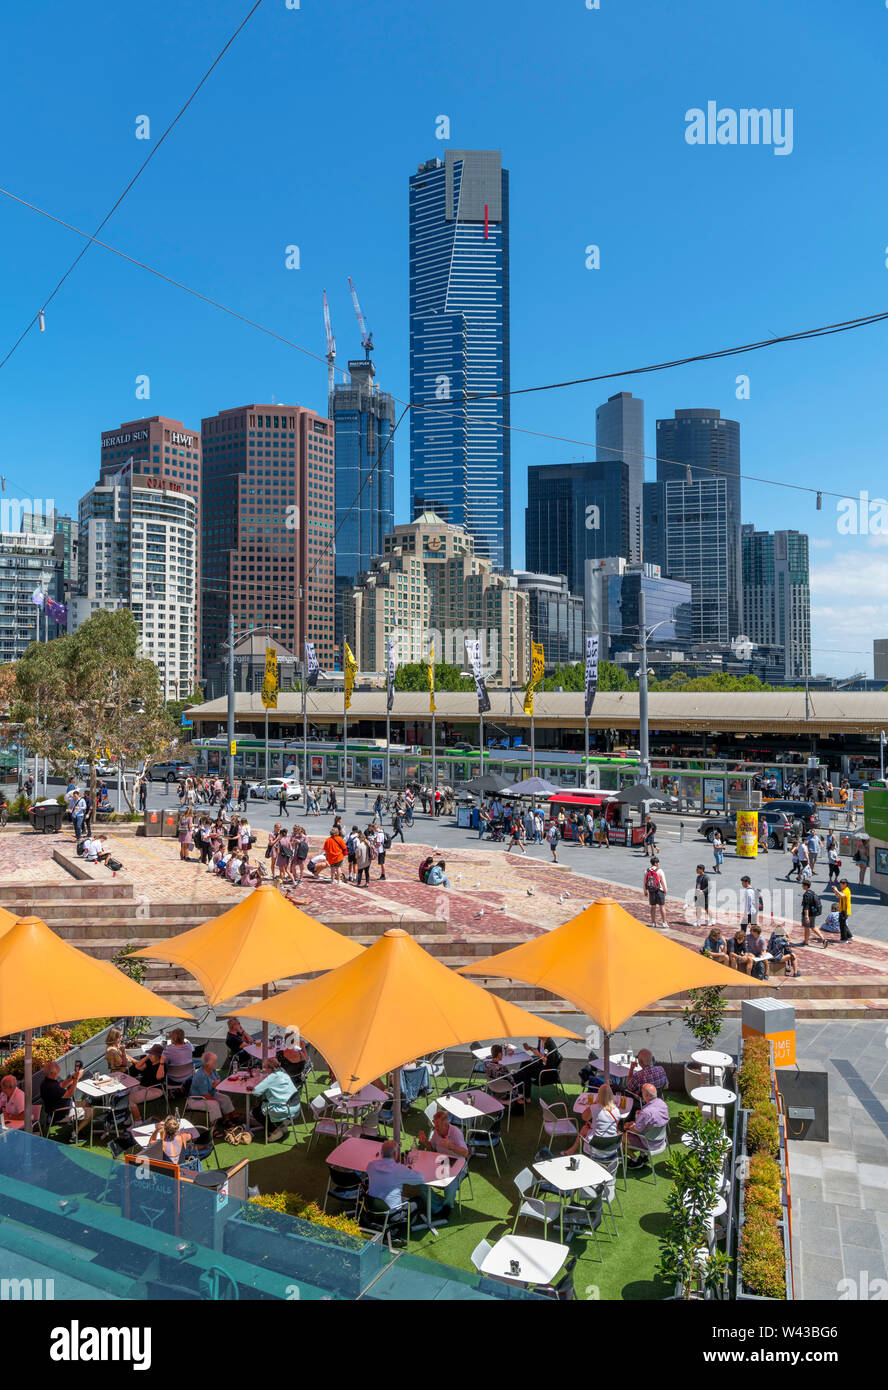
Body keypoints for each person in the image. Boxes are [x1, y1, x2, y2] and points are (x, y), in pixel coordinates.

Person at [416, 1106, 469, 1214]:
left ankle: (447, 1207)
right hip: (442, 1163)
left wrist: (451, 1146)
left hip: (458, 1165)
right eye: (435, 1126)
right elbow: (433, 1148)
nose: (436, 1129)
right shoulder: (437, 1132)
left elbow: (465, 1153)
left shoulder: (455, 1132)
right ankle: (436, 1208)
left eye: (438, 1126)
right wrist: (425, 1142)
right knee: (421, 1179)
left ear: (446, 1125)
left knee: (449, 1186)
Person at [250, 1058, 301, 1141]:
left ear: (270, 1069)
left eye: (265, 1067)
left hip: (286, 1108)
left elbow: (256, 1092)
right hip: (295, 1105)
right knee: (263, 1103)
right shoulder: (283, 1073)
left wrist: (259, 1087)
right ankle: (281, 1126)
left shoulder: (271, 1078)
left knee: (256, 1112)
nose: (263, 1069)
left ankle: (275, 1131)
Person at [365, 1139, 419, 1216]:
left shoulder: (371, 1165)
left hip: (371, 1208)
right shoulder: (399, 1170)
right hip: (392, 1214)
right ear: (395, 1154)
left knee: (403, 1197)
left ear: (381, 1153)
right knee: (418, 1201)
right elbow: (419, 1179)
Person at [565, 1083, 624, 1151]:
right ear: (611, 1095)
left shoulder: (594, 1107)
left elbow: (584, 1117)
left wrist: (594, 1103)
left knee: (584, 1128)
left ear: (599, 1095)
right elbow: (610, 1125)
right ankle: (571, 1150)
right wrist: (593, 1125)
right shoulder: (617, 1110)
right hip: (611, 1147)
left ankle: (571, 1150)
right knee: (588, 1128)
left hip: (595, 1148)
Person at [40, 1059, 91, 1137]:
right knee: (91, 1112)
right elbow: (70, 1093)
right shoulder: (52, 1086)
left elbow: (62, 1085)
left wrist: (73, 1077)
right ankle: (74, 1134)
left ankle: (78, 1127)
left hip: (58, 1108)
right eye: (58, 1071)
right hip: (63, 1113)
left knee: (87, 1104)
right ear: (53, 1073)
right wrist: (76, 1079)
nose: (59, 1073)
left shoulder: (47, 1082)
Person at [189, 1052, 235, 1131]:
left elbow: (218, 1079)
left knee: (225, 1098)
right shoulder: (201, 1076)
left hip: (210, 1093)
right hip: (197, 1099)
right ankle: (213, 1129)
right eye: (214, 1062)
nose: (216, 1063)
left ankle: (226, 1120)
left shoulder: (211, 1070)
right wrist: (214, 1086)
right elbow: (205, 1094)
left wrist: (214, 1084)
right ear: (208, 1064)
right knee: (214, 1104)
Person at [625, 1083, 669, 1164]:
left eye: (642, 1093)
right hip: (661, 1140)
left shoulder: (646, 1112)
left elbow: (636, 1131)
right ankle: (643, 1156)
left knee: (623, 1137)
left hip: (649, 1143)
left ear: (647, 1096)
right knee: (644, 1129)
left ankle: (635, 1160)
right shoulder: (662, 1103)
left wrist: (629, 1127)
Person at [644, 858, 668, 927]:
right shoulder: (660, 871)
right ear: (656, 863)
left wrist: (645, 891)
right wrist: (665, 890)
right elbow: (663, 881)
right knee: (662, 907)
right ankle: (664, 923)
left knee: (653, 907)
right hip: (659, 890)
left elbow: (645, 882)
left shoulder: (647, 871)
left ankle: (653, 923)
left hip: (651, 890)